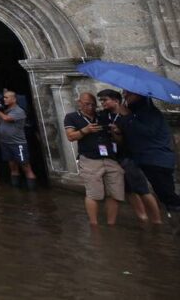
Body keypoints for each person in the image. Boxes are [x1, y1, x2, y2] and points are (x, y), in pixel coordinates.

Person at [98, 89, 163, 224]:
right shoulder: (103, 116)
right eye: (101, 100)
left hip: (130, 157)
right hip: (114, 157)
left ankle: (157, 220)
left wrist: (118, 132)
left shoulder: (129, 114)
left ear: (115, 100)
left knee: (142, 189)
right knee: (128, 190)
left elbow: (134, 138)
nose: (102, 103)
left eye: (104, 100)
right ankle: (142, 216)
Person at [64, 92, 124, 226]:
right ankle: (94, 225)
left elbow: (118, 133)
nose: (90, 107)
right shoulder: (72, 117)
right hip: (89, 158)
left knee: (115, 193)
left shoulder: (102, 116)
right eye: (86, 104)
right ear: (79, 103)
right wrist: (85, 130)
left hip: (110, 157)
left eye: (93, 104)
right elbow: (70, 137)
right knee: (93, 194)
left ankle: (111, 224)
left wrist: (116, 131)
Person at [116, 90, 180, 213]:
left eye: (128, 93)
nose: (124, 95)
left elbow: (148, 132)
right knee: (165, 196)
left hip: (157, 159)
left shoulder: (149, 112)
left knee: (169, 197)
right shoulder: (137, 111)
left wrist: (127, 116)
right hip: (148, 159)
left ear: (139, 94)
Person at [0, 88, 36, 188]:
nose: (4, 99)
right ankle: (15, 187)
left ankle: (32, 189)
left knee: (25, 166)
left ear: (14, 99)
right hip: (6, 143)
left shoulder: (19, 111)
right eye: (4, 97)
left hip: (18, 143)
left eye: (7, 97)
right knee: (12, 166)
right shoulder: (5, 110)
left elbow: (6, 118)